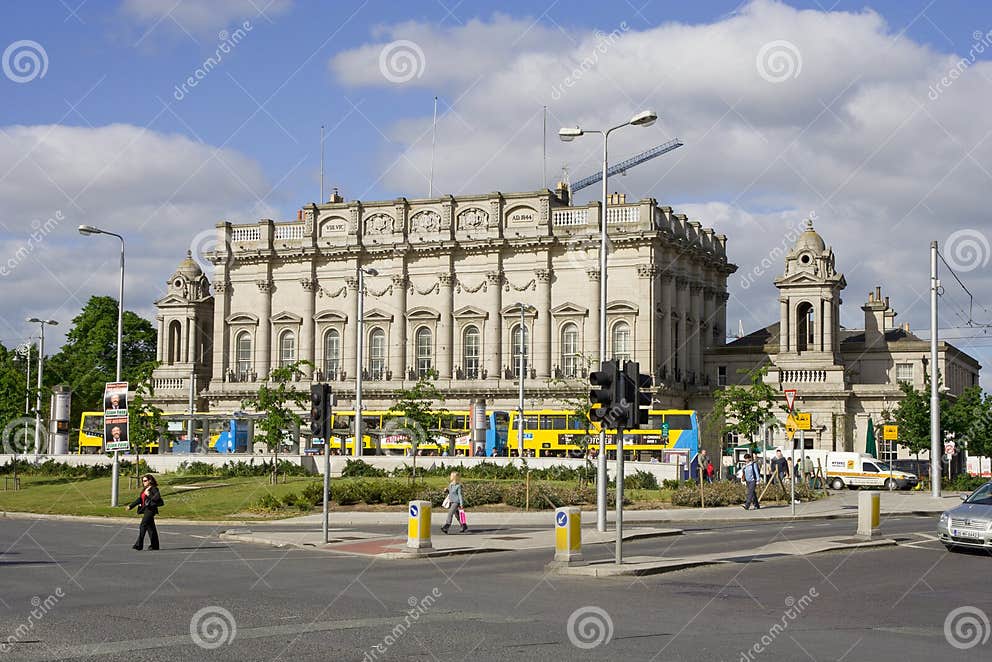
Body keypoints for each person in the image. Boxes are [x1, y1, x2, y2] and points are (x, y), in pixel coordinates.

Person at [127, 474, 163, 550]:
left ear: (150, 480)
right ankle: (155, 546)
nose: (143, 482)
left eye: (145, 481)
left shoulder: (154, 489)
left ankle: (139, 544)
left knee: (143, 525)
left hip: (151, 509)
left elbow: (157, 498)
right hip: (146, 509)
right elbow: (140, 499)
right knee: (151, 528)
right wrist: (131, 506)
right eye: (143, 481)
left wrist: (149, 494)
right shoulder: (144, 489)